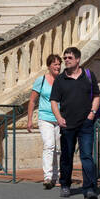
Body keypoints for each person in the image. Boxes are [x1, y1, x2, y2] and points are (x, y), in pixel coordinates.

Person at [50, 46, 100, 199]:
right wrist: (58, 117)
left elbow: (97, 96)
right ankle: (65, 185)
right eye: (65, 58)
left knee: (86, 156)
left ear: (78, 59)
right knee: (66, 156)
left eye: (69, 58)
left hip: (85, 124)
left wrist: (92, 114)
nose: (66, 60)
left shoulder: (88, 75)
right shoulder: (60, 79)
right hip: (67, 124)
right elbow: (54, 101)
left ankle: (90, 189)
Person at [25, 54, 62, 190]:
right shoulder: (41, 80)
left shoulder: (63, 80)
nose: (57, 67)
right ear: (49, 66)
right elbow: (32, 100)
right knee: (49, 145)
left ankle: (56, 176)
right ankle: (47, 176)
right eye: (55, 64)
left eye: (59, 64)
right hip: (45, 118)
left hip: (59, 119)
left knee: (58, 149)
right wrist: (29, 120)